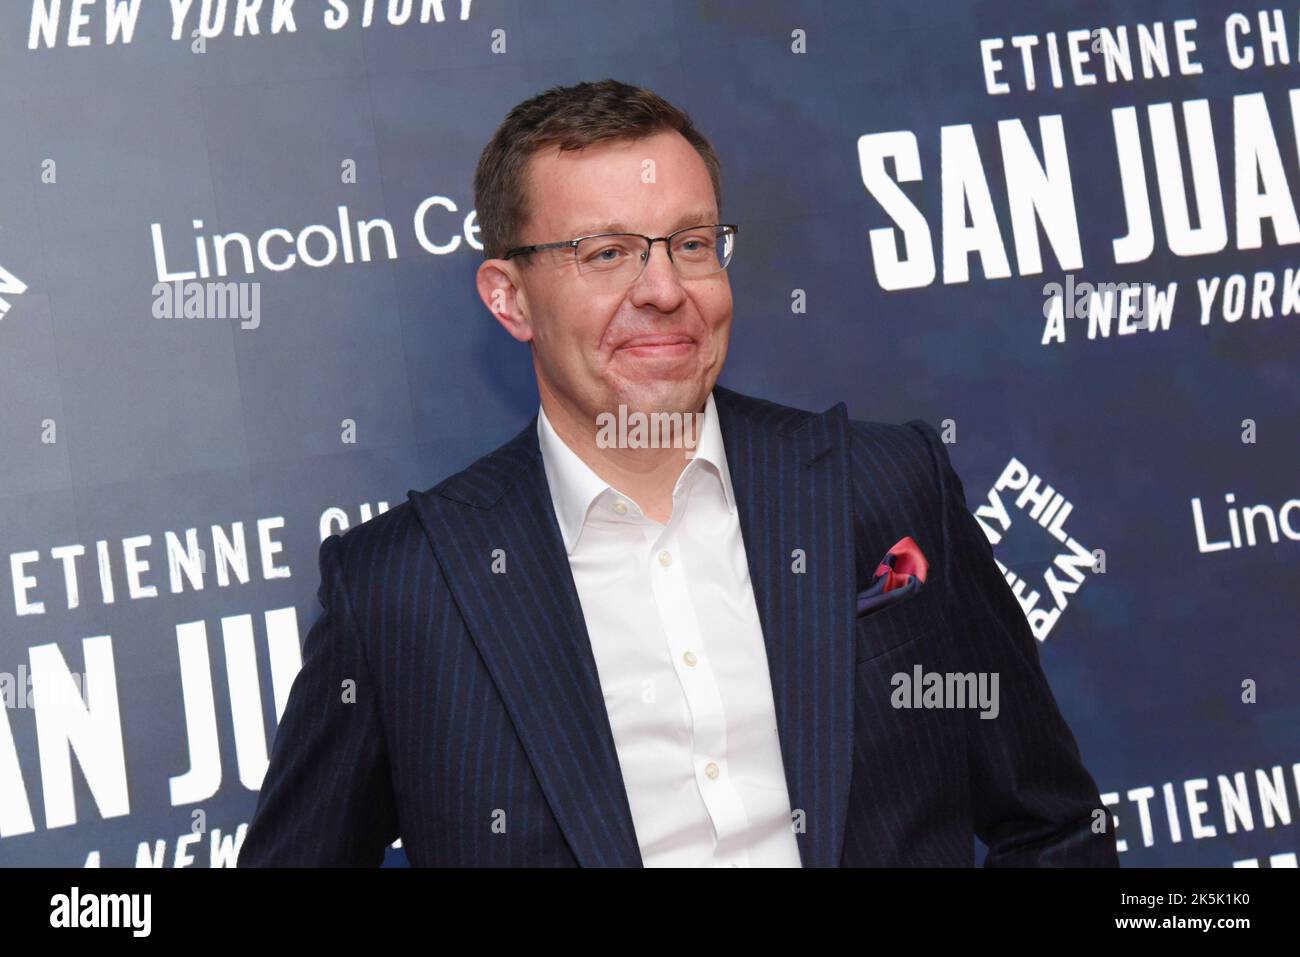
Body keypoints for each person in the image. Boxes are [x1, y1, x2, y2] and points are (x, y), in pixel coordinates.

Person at [238, 78, 1118, 867]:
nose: (665, 289)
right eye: (607, 253)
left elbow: (1053, 825)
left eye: (691, 243)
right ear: (509, 298)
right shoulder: (402, 589)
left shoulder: (883, 488)